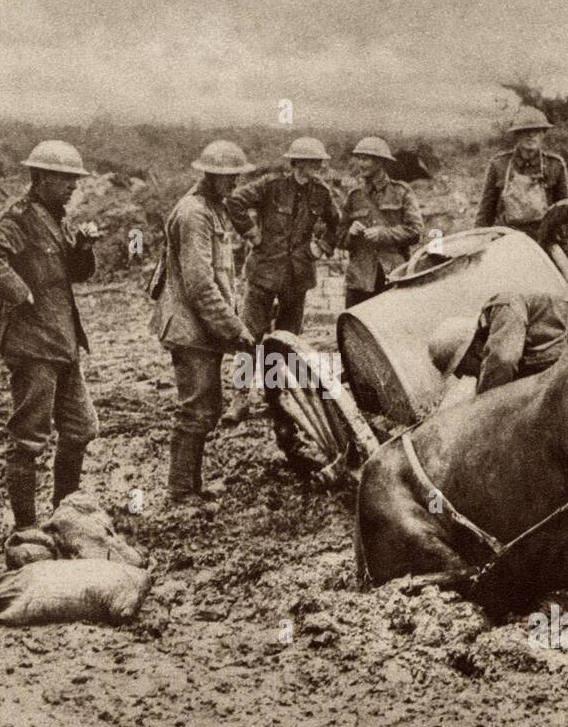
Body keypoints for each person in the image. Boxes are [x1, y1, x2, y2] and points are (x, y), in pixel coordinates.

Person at [0, 140, 102, 535]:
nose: (72, 187)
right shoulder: (20, 218)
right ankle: (26, 529)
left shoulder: (56, 217)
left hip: (61, 340)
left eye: (75, 181)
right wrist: (20, 291)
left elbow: (75, 274)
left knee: (80, 428)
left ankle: (64, 517)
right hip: (32, 343)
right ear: (41, 179)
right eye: (65, 180)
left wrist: (84, 248)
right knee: (29, 437)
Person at [150, 140, 257, 504]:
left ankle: (191, 486)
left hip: (202, 327)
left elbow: (222, 278)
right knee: (196, 408)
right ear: (208, 175)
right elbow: (200, 285)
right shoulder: (194, 213)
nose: (233, 183)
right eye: (225, 177)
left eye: (236, 177)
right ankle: (179, 490)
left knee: (206, 407)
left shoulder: (213, 209)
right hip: (190, 327)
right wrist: (234, 329)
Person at [223, 136, 341, 457]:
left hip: (297, 277)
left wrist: (321, 247)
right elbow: (233, 202)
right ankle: (241, 397)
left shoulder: (321, 193)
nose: (314, 170)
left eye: (318, 164)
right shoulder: (270, 185)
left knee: (286, 340)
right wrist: (251, 233)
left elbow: (336, 223)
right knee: (250, 337)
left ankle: (275, 397)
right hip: (263, 273)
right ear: (295, 164)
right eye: (309, 164)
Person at [430, 282, 568, 394]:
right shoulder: (516, 355)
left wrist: (480, 409)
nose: (471, 375)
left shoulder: (502, 306)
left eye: (464, 369)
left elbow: (503, 361)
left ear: (475, 348)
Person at [338, 136, 423, 308]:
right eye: (359, 158)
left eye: (366, 159)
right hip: (360, 280)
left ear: (380, 162)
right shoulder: (354, 196)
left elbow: (416, 231)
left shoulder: (401, 191)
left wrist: (382, 233)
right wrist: (350, 234)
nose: (361, 164)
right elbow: (339, 238)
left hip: (392, 275)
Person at [474, 106, 568, 238]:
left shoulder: (554, 165)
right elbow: (485, 213)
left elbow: (564, 210)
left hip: (544, 238)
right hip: (507, 238)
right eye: (526, 131)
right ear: (517, 134)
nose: (531, 135)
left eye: (536, 131)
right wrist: (479, 239)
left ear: (543, 133)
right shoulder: (499, 164)